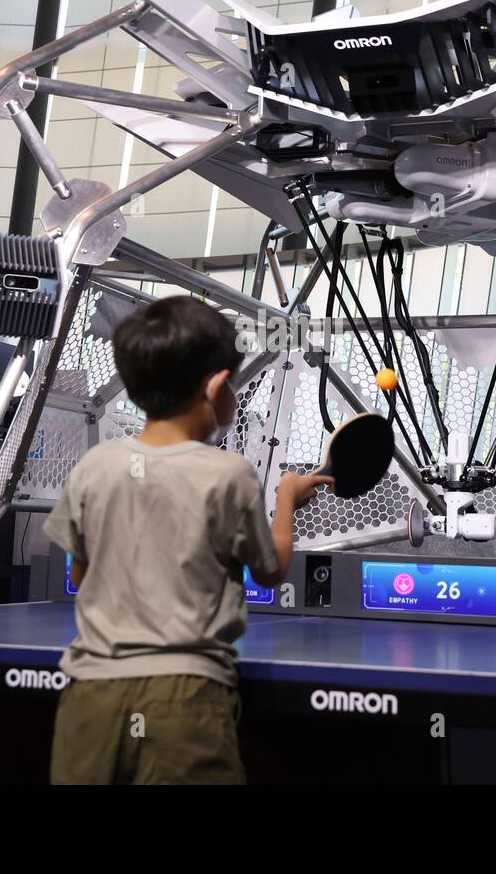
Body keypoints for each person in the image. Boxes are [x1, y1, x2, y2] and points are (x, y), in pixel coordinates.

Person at [45, 295, 328, 784]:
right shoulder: (230, 475)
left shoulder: (96, 467)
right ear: (217, 386)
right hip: (184, 697)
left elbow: (80, 571)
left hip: (89, 694)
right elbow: (270, 570)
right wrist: (286, 498)